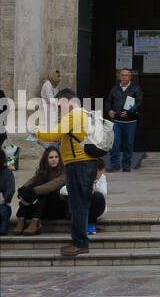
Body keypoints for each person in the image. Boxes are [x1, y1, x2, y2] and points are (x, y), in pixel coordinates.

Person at [33, 90, 96, 256]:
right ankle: (80, 240)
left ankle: (80, 243)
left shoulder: (74, 115)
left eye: (59, 104)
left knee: (77, 205)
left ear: (67, 101)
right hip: (87, 164)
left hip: (78, 166)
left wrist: (36, 132)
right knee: (81, 203)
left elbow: (53, 133)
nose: (59, 108)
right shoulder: (85, 114)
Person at [13, 145, 68, 235]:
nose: (54, 159)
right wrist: (22, 190)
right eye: (51, 157)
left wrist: (29, 192)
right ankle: (21, 220)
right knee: (30, 189)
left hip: (57, 208)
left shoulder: (64, 172)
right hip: (43, 208)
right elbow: (31, 181)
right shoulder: (42, 171)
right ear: (46, 159)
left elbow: (51, 186)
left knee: (43, 192)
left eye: (56, 157)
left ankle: (35, 223)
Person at [106, 67, 143, 173]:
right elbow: (108, 101)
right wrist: (109, 110)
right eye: (122, 75)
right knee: (115, 143)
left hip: (130, 121)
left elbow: (139, 103)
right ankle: (114, 164)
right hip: (116, 121)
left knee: (129, 144)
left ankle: (126, 164)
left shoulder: (136, 88)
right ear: (119, 76)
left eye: (126, 75)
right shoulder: (114, 89)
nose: (124, 77)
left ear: (130, 77)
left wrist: (130, 111)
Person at [60, 159, 108, 233]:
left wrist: (95, 188)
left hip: (95, 209)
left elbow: (104, 192)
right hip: (81, 206)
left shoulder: (102, 178)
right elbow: (63, 190)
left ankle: (90, 223)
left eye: (101, 172)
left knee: (97, 196)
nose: (100, 174)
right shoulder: (81, 176)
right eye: (98, 171)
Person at [0, 148, 13, 235]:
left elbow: (10, 190)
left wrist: (4, 199)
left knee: (2, 211)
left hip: (2, 206)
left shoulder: (7, 173)